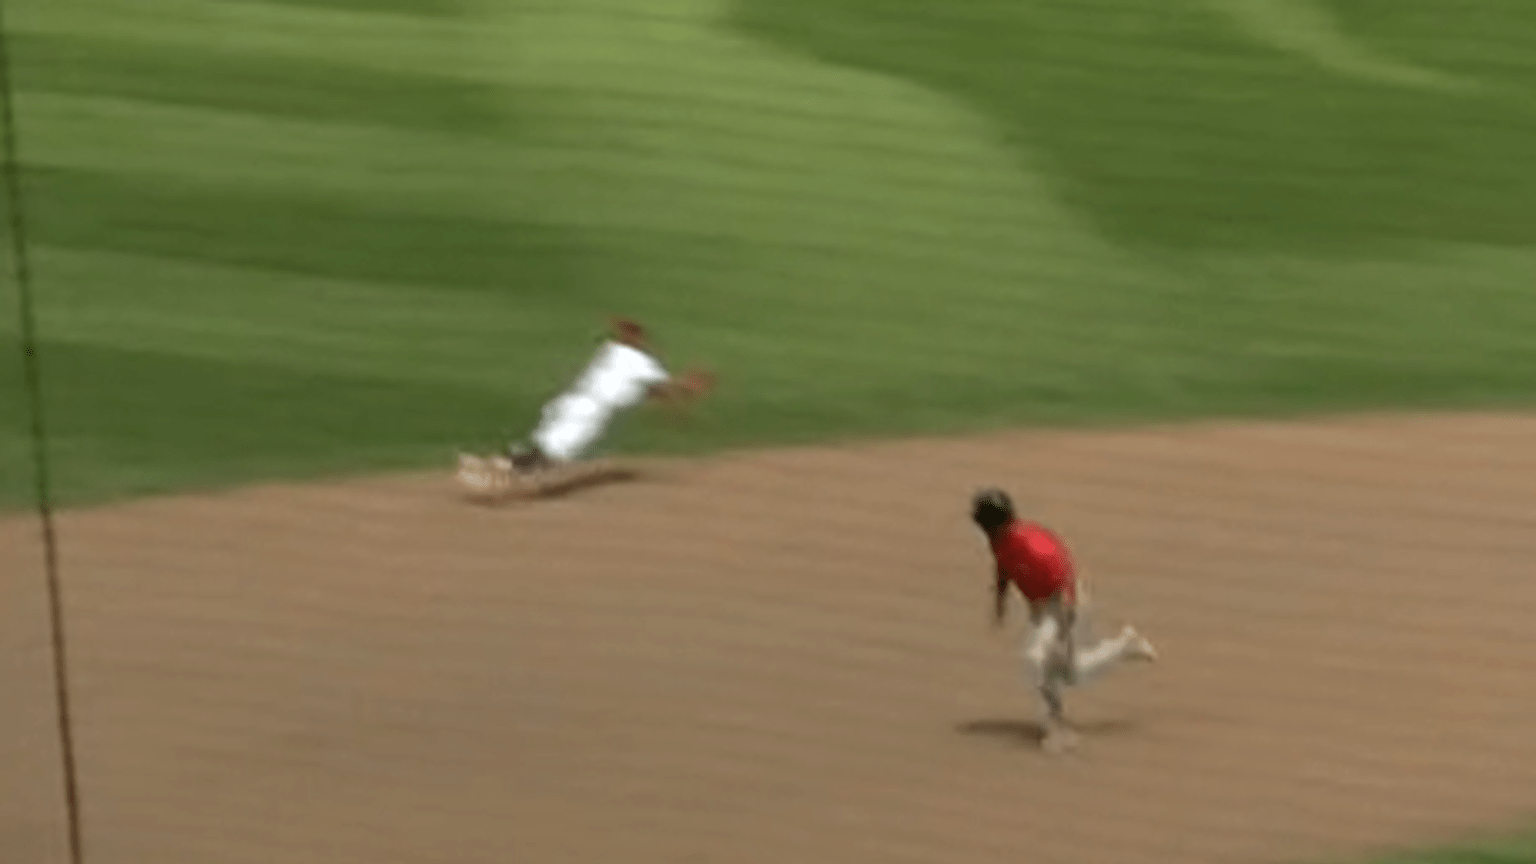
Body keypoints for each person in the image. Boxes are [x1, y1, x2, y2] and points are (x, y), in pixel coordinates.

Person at [970, 487, 1157, 752]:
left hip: (1064, 605)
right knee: (1072, 674)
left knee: (1036, 657)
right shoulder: (1000, 539)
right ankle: (1125, 645)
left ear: (992, 522)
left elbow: (1064, 580)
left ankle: (1054, 727)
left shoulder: (1035, 548)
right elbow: (1003, 565)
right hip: (1043, 607)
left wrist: (1062, 627)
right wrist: (1000, 600)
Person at [457, 318, 713, 492]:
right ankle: (496, 471)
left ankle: (497, 463)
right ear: (638, 340)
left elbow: (644, 391)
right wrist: (690, 387)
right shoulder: (638, 361)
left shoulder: (612, 351)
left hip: (571, 404)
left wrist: (679, 394)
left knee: (545, 446)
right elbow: (663, 390)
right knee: (551, 456)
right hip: (589, 415)